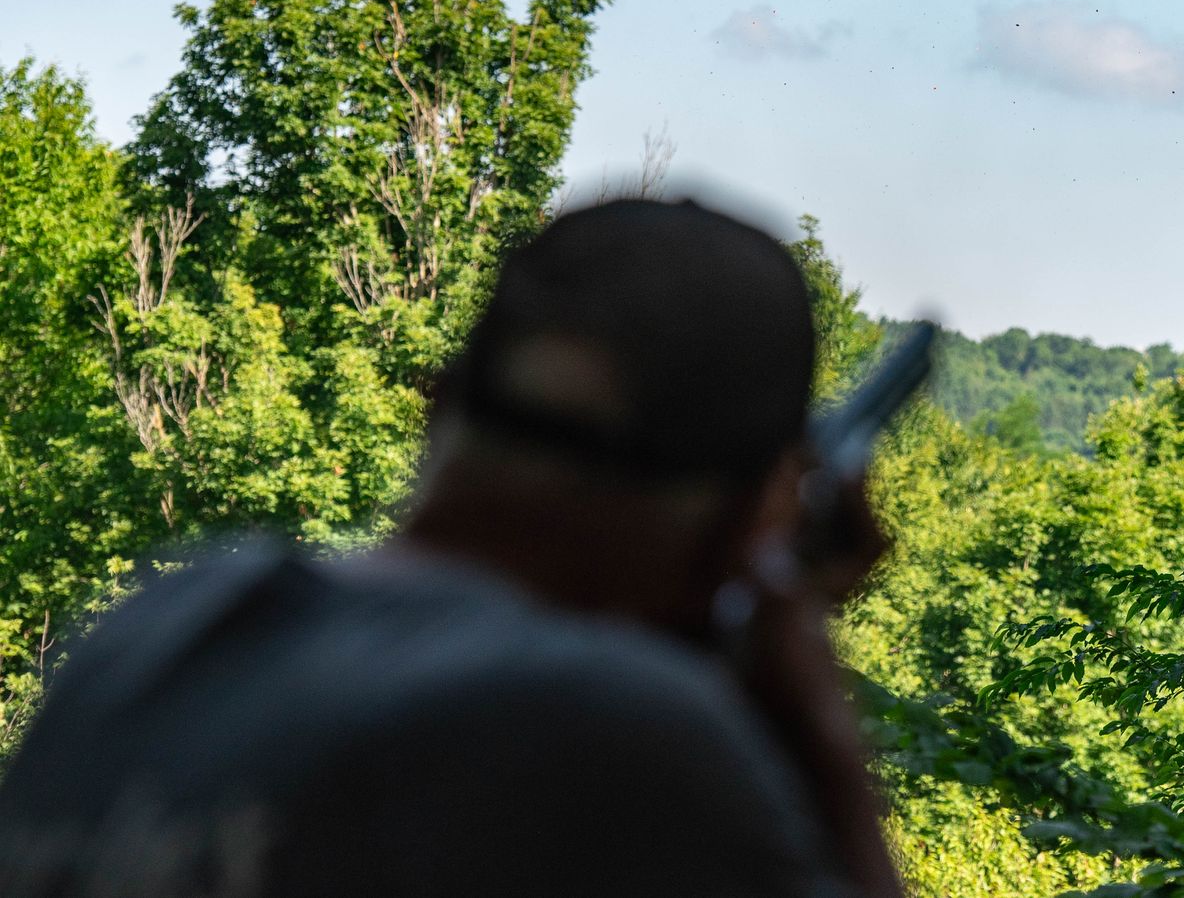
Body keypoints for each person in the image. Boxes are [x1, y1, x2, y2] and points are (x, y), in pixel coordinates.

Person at [0, 198, 905, 898]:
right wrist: (802, 689)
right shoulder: (613, 725)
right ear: (755, 516)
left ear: (438, 402)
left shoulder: (160, 631)